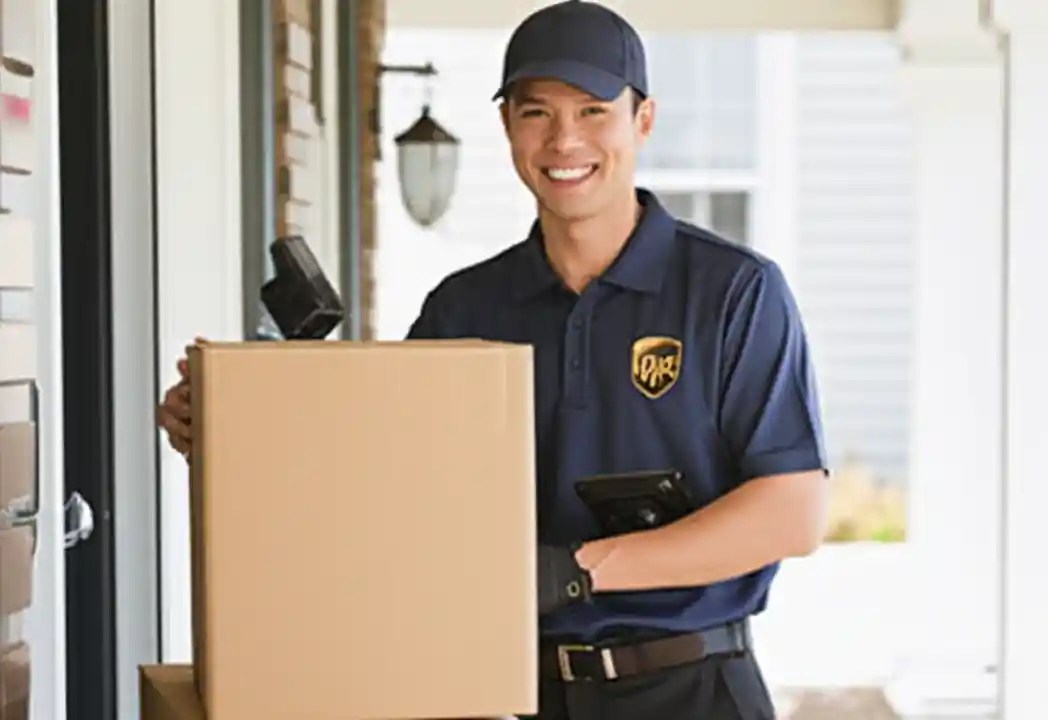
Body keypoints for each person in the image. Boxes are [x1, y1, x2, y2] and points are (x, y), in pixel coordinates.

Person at [156, 1, 830, 717]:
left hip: (691, 687)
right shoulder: (466, 308)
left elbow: (790, 512)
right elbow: (382, 484)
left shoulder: (734, 293)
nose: (564, 140)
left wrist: (574, 572)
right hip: (503, 690)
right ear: (507, 124)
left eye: (593, 110)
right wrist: (233, 430)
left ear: (644, 120)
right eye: (536, 112)